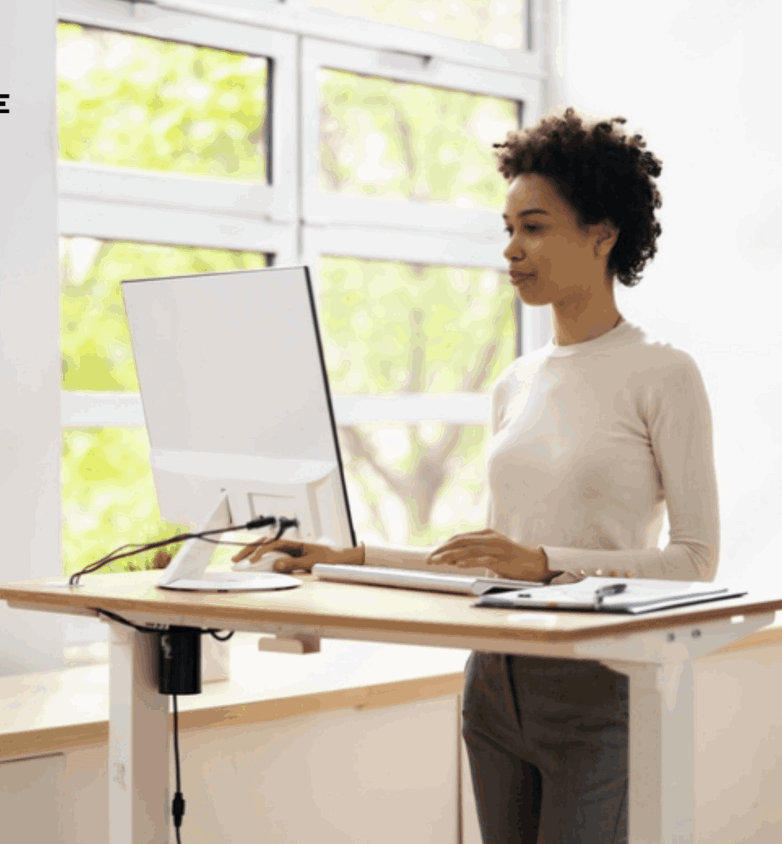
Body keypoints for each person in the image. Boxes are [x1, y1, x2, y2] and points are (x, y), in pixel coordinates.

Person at [233, 107, 719, 844]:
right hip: (493, 683)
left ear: (602, 233)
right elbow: (487, 564)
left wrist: (548, 566)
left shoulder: (663, 374)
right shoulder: (516, 383)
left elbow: (695, 562)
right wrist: (350, 559)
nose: (511, 249)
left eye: (534, 226)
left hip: (597, 687)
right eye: (507, 227)